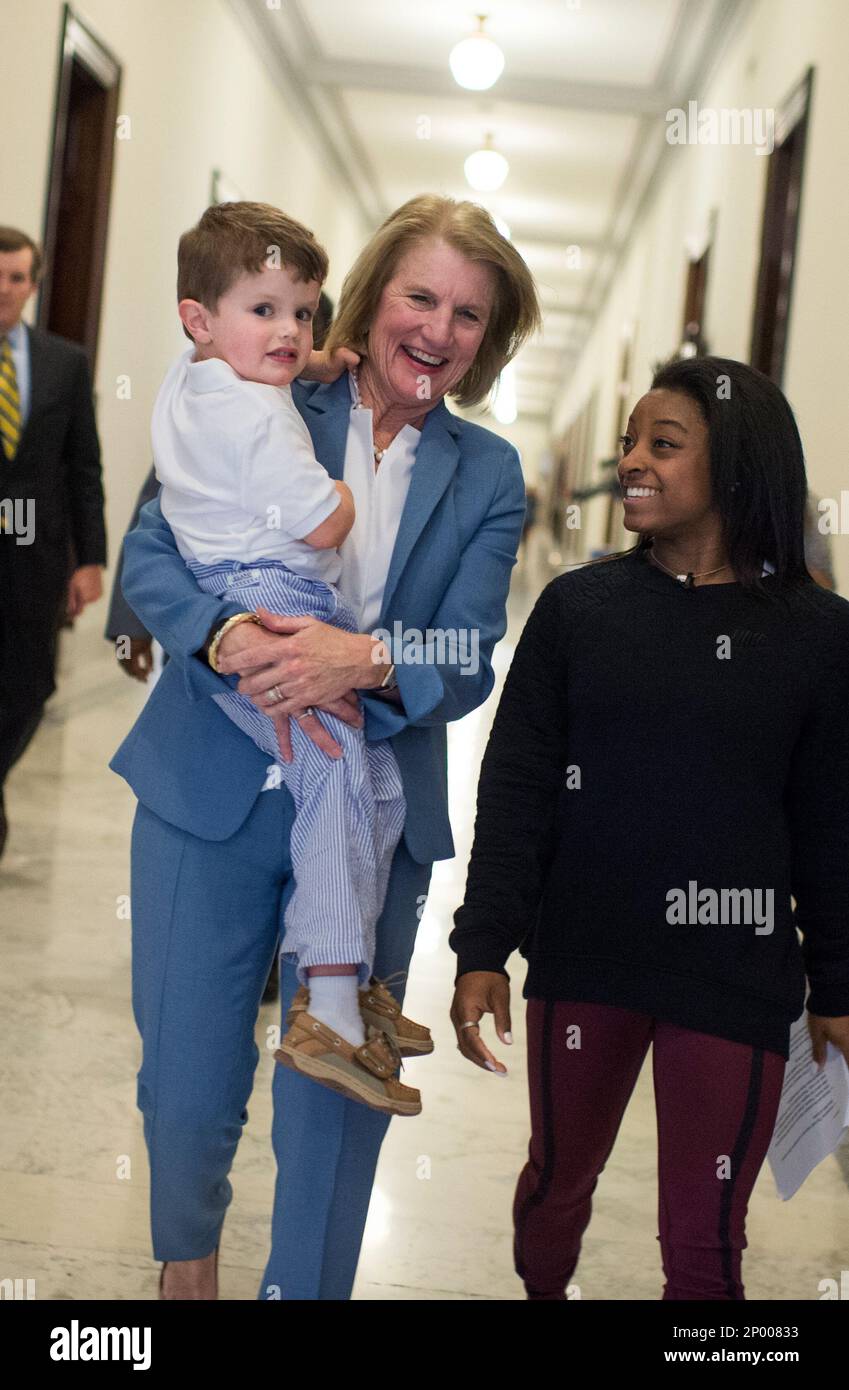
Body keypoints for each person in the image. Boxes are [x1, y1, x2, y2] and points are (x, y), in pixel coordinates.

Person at [109, 193, 541, 1299]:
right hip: (209, 786)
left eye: (469, 315)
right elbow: (150, 555)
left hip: (371, 803)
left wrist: (367, 661)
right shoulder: (267, 380)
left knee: (337, 1101)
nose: (439, 331)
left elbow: (471, 648)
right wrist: (224, 633)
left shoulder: (487, 474)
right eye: (420, 296)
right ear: (373, 294)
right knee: (189, 1078)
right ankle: (186, 1269)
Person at [450, 355, 849, 1301]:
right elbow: (518, 790)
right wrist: (481, 947)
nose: (630, 460)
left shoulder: (819, 636)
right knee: (555, 1188)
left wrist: (836, 980)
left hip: (736, 975)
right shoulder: (578, 611)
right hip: (589, 953)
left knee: (706, 1242)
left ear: (738, 467)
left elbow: (831, 822)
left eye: (660, 445)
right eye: (628, 440)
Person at [151, 200, 424, 1116]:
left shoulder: (196, 379)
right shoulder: (264, 424)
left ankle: (349, 993)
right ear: (200, 316)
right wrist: (349, 498)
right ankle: (332, 1000)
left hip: (241, 575)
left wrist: (304, 359)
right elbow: (324, 520)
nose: (290, 332)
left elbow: (250, 359)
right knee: (340, 778)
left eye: (304, 313)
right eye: (265, 311)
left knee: (374, 787)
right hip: (282, 600)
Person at [0, 226, 106, 861]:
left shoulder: (65, 362)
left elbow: (82, 467)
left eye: (16, 277)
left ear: (34, 285)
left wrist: (90, 558)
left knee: (30, 684)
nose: (4, 289)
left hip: (33, 557)